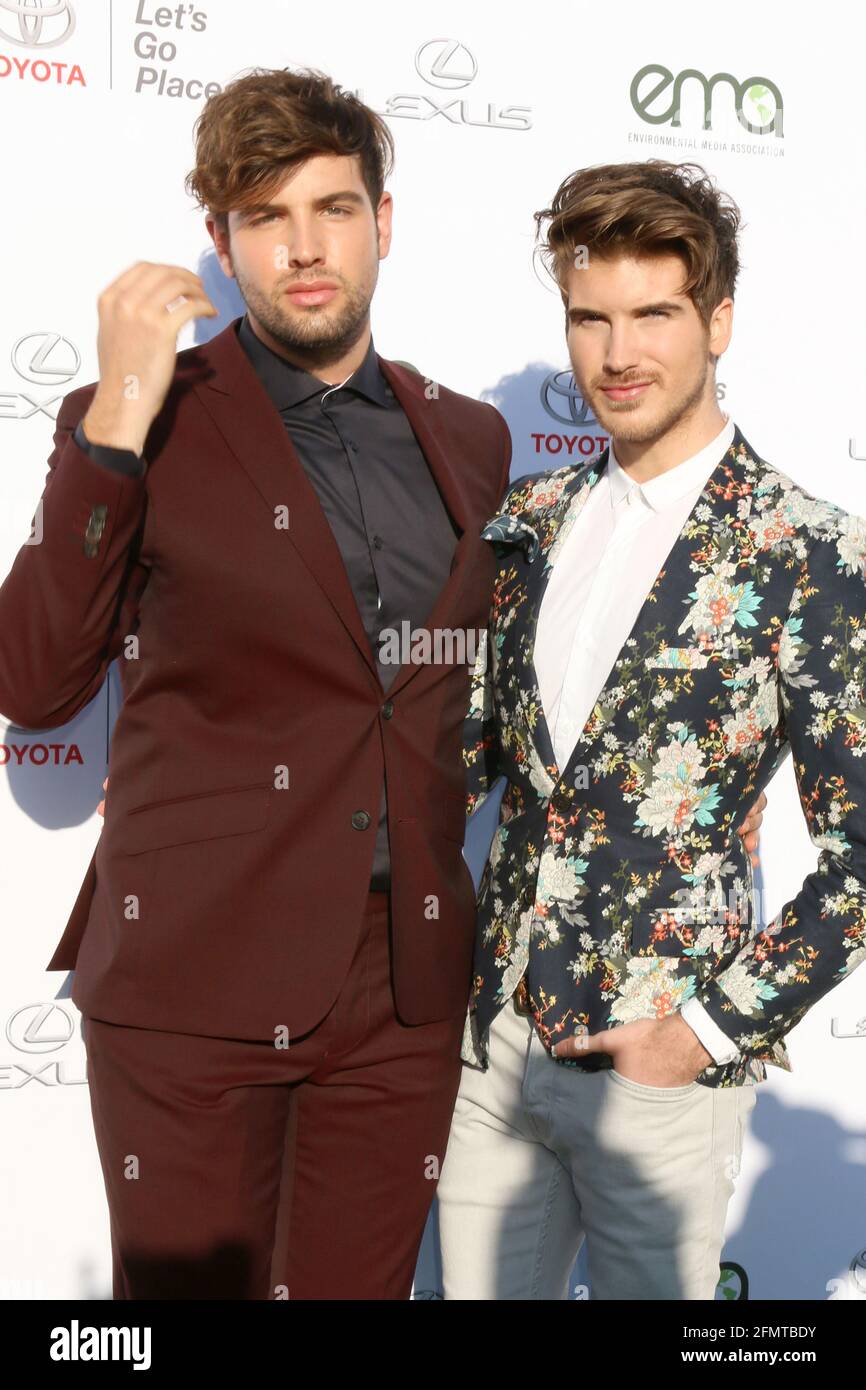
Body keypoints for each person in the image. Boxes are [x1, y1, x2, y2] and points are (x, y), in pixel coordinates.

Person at [0, 66, 513, 1300]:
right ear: (223, 245)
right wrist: (121, 403)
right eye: (264, 219)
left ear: (382, 224)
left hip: (401, 992)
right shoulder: (141, 419)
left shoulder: (471, 440)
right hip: (193, 977)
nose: (303, 248)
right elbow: (32, 679)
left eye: (331, 209)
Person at [436, 159, 866, 1300]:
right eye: (588, 318)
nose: (615, 354)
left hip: (658, 1073)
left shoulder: (805, 551)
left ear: (716, 320)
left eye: (651, 315)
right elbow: (457, 766)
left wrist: (705, 1032)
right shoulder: (527, 523)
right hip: (493, 1050)